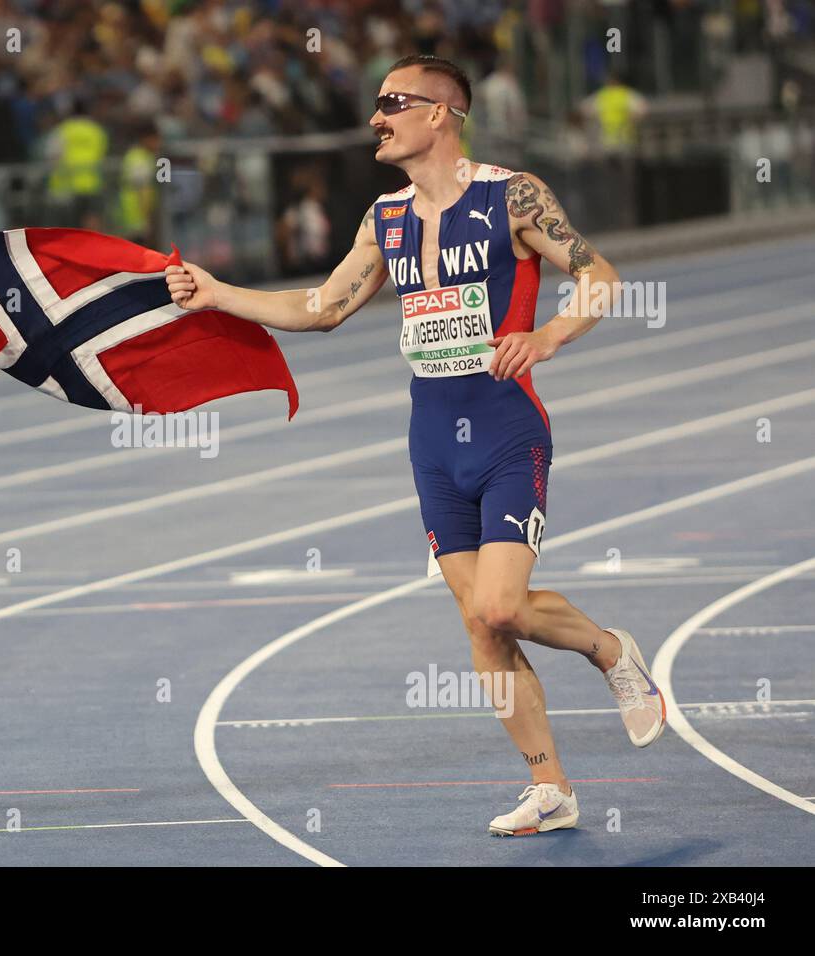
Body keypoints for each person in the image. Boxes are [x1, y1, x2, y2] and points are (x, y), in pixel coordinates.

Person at [164, 53, 666, 837]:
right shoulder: (384, 219)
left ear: (441, 113)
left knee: (502, 604)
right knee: (482, 626)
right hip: (432, 440)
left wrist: (550, 334)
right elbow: (322, 305)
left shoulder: (513, 197)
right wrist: (217, 293)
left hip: (505, 430)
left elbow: (600, 274)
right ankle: (552, 789)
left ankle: (609, 651)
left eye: (392, 102)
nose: (376, 118)